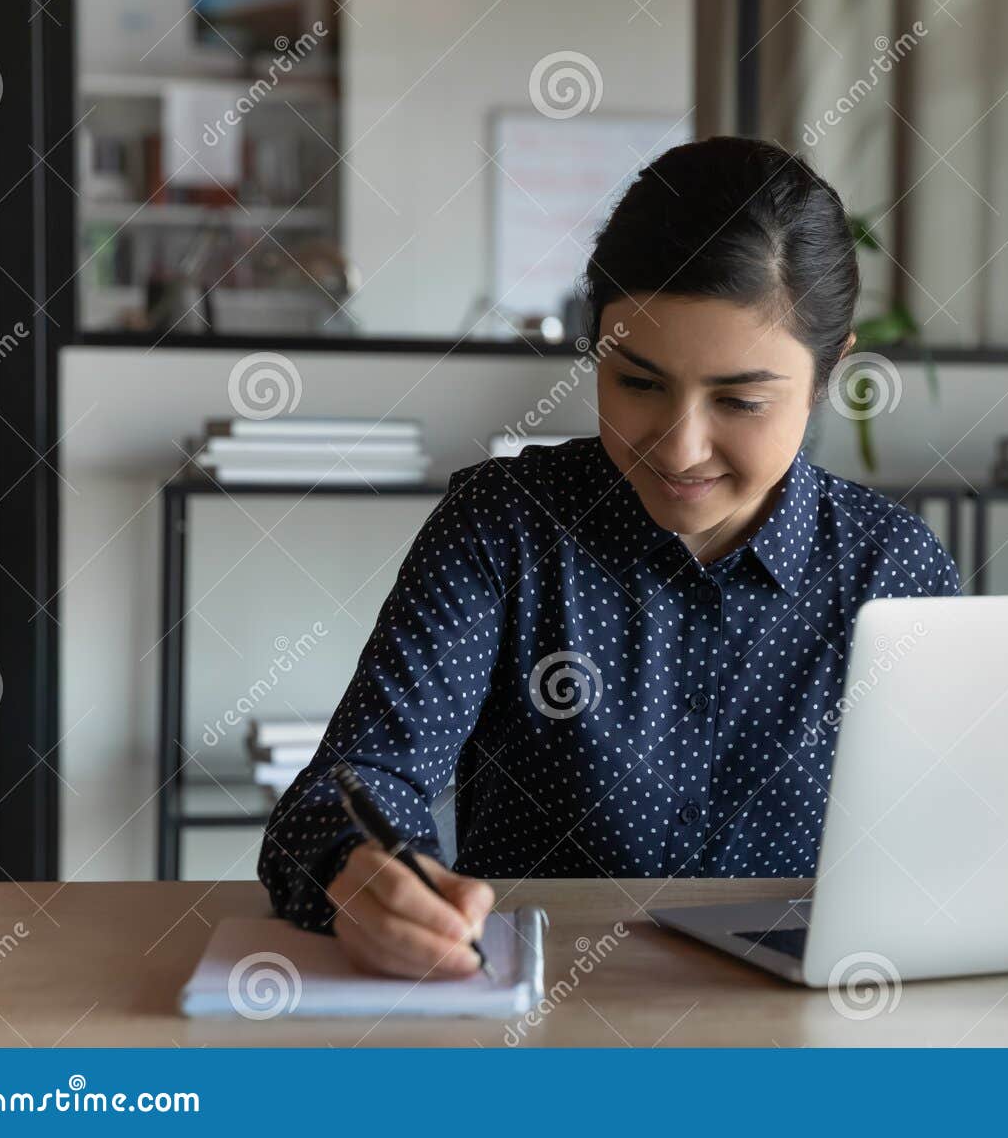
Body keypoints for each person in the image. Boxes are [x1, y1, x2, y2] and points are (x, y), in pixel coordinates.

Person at [256, 136, 962, 980]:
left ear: (828, 372)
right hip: (547, 1033)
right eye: (636, 381)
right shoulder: (504, 527)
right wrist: (358, 874)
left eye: (739, 399)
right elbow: (348, 786)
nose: (681, 445)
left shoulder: (894, 571)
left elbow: (957, 847)